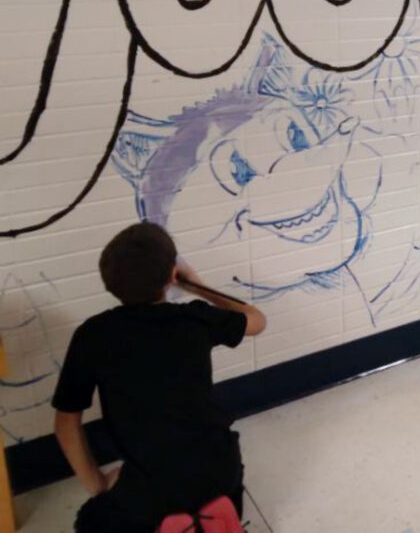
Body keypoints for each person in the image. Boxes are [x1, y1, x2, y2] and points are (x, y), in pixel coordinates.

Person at [52, 222, 266, 532]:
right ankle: (213, 517)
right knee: (212, 482)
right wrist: (197, 287)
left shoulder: (93, 336)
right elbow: (257, 320)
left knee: (90, 520)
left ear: (109, 282)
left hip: (152, 488)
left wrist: (98, 483)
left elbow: (66, 424)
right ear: (171, 276)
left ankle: (174, 521)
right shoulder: (194, 318)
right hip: (221, 473)